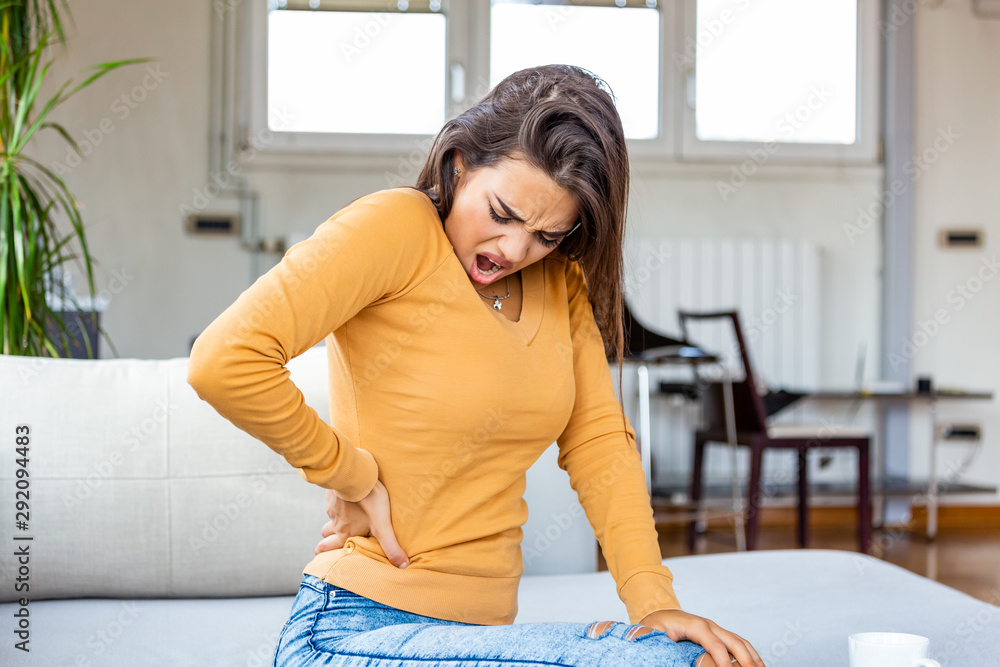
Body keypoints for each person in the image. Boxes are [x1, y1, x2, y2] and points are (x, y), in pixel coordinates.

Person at [187, 64, 764, 667]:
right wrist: (347, 472)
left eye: (547, 235)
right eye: (503, 214)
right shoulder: (396, 229)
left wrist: (651, 604)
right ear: (458, 165)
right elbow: (226, 358)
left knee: (686, 652)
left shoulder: (559, 281)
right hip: (353, 630)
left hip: (481, 638)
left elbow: (598, 441)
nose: (515, 251)